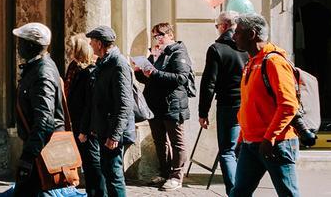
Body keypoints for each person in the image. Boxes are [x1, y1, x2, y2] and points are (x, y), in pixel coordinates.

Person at [229, 13, 300, 197]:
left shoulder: (273, 61)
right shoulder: (251, 62)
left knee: (288, 194)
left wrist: (269, 138)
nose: (233, 36)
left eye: (237, 32)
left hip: (277, 143)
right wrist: (241, 139)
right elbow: (249, 105)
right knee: (239, 193)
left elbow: (289, 105)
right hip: (251, 143)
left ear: (252, 34)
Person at [134, 22, 194, 191]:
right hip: (155, 104)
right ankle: (164, 172)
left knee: (177, 141)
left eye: (160, 35)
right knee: (160, 141)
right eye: (155, 36)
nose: (157, 39)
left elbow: (180, 78)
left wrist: (155, 72)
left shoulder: (178, 52)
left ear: (170, 35)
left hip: (173, 104)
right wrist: (140, 71)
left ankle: (176, 176)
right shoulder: (156, 53)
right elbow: (148, 79)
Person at [12, 22, 66, 196]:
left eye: (20, 42)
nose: (18, 46)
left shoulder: (43, 73)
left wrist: (28, 157)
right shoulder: (36, 67)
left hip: (40, 149)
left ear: (30, 45)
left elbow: (44, 121)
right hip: (36, 145)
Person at [198, 11, 247, 194]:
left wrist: (203, 112)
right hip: (248, 104)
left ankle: (235, 192)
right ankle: (242, 190)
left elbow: (209, 83)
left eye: (217, 26)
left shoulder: (216, 48)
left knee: (227, 151)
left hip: (228, 104)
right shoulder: (248, 46)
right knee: (243, 151)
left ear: (224, 26)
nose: (217, 30)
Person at [86, 26, 135, 197]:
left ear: (100, 43)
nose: (90, 44)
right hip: (104, 127)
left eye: (92, 41)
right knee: (107, 172)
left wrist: (114, 135)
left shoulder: (118, 64)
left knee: (114, 174)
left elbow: (124, 103)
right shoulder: (104, 63)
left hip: (112, 131)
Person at [66, 34, 102, 197]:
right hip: (75, 120)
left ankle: (97, 193)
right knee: (86, 161)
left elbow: (90, 104)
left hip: (85, 124)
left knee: (92, 161)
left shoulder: (90, 72)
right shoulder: (73, 67)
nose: (69, 50)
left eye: (72, 47)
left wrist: (84, 130)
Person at [297, 0, 331, 89]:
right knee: (322, 69)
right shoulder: (325, 11)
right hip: (322, 44)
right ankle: (321, 90)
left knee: (308, 69)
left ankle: (309, 90)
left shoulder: (302, 10)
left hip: (307, 44)